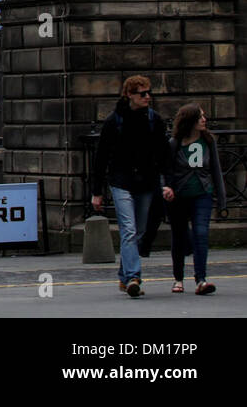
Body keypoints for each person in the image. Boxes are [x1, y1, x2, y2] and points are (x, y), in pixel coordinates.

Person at [91, 75, 174, 297]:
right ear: (129, 95)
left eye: (149, 93)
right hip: (121, 181)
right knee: (128, 230)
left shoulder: (153, 120)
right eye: (142, 93)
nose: (147, 97)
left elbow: (164, 154)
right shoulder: (114, 121)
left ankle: (123, 274)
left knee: (139, 231)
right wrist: (96, 192)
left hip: (146, 182)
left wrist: (168, 182)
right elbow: (101, 158)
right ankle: (133, 277)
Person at [167, 103, 227, 295]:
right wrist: (166, 187)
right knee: (180, 236)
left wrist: (222, 199)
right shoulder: (174, 143)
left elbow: (216, 170)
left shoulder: (208, 141)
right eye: (200, 117)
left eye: (204, 116)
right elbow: (165, 170)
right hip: (178, 196)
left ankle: (201, 279)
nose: (204, 120)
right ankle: (178, 278)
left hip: (202, 194)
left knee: (201, 233)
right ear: (190, 120)